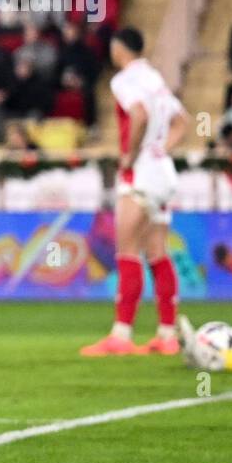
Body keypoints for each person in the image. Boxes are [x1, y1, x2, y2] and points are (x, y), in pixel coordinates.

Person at [81, 27, 189, 357]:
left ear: (118, 48)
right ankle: (167, 335)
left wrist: (130, 153)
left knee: (126, 250)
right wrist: (161, 149)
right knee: (157, 253)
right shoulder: (155, 78)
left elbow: (138, 113)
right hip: (161, 172)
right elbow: (182, 120)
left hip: (140, 172)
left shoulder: (123, 81)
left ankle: (121, 335)